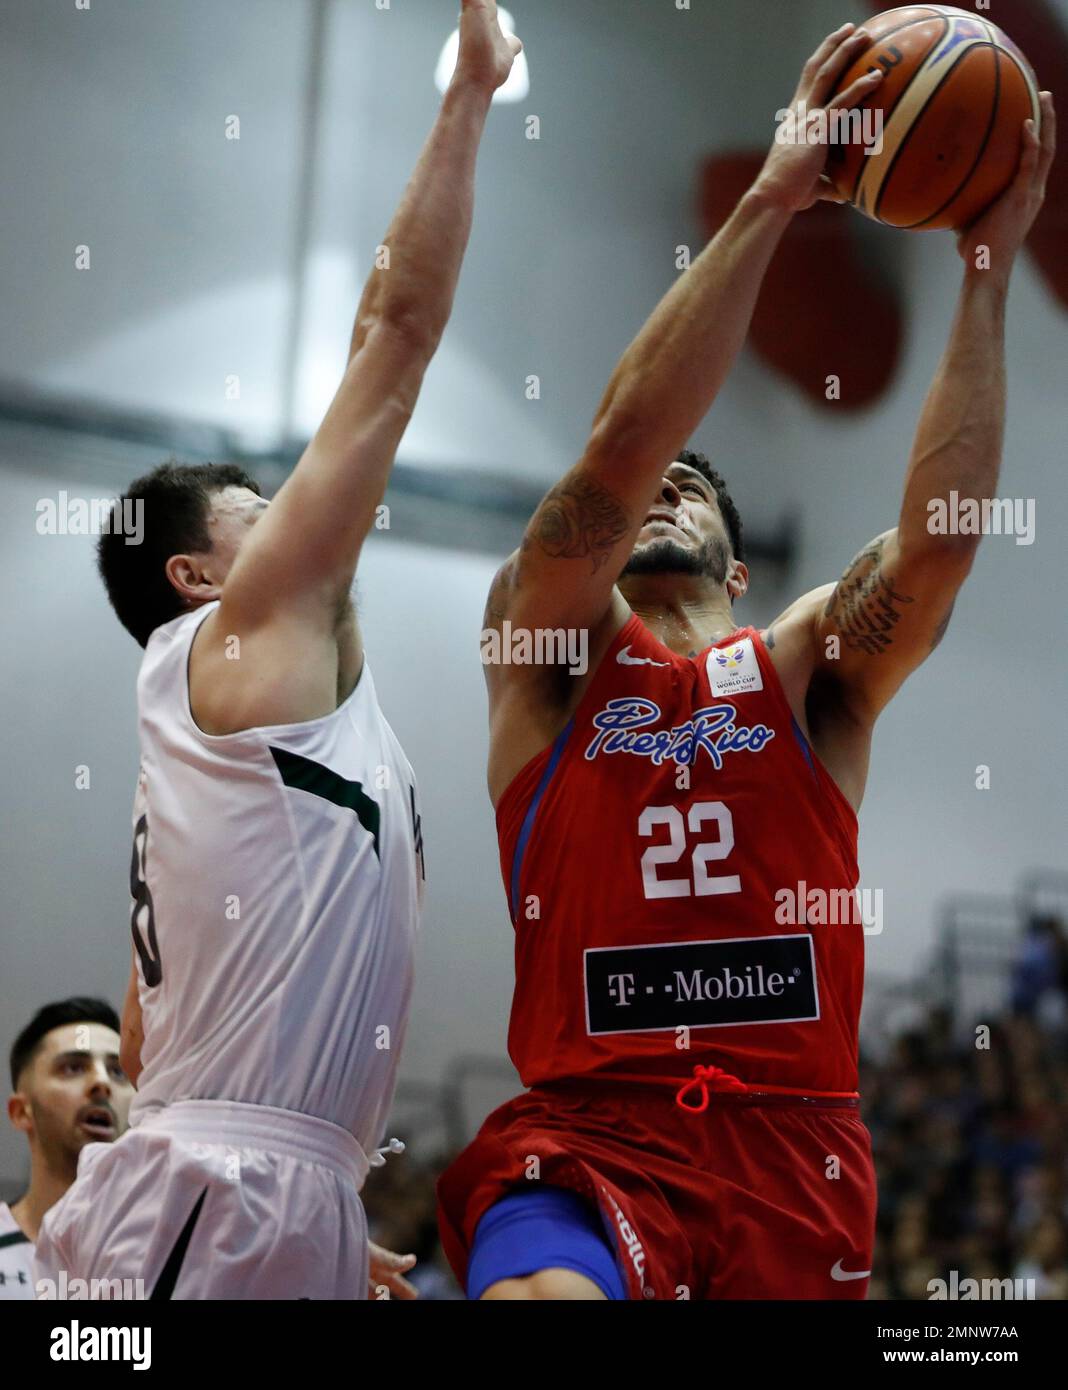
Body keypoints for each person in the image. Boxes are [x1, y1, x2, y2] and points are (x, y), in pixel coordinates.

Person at [438, 23, 1056, 1299]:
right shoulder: (545, 648)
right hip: (592, 1138)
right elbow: (620, 447)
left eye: (697, 489)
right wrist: (778, 194)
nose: (663, 489)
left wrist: (986, 274)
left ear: (744, 568)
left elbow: (940, 547)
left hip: (795, 1149)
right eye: (650, 489)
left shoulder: (808, 666)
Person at [35, 0, 523, 1300]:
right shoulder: (235, 638)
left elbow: (155, 1020)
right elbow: (394, 339)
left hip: (254, 1184)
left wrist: (298, 1193)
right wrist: (468, 98)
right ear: (195, 574)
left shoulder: (239, 715)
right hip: (225, 1186)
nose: (291, 507)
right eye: (256, 505)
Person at [3, 999, 133, 1300]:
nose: (101, 1082)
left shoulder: (171, 1253)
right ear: (22, 1111)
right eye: (73, 1067)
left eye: (117, 1072)